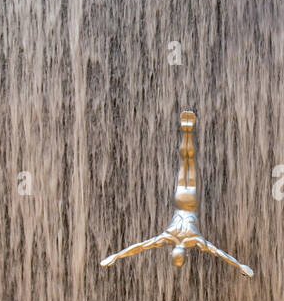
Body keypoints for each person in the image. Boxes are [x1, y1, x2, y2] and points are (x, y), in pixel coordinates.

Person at [101, 111, 254, 276]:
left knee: (188, 162)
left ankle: (188, 131)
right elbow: (141, 246)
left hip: (189, 201)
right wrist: (239, 266)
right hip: (181, 199)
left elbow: (140, 247)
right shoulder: (171, 238)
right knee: (185, 162)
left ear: (182, 254)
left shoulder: (189, 239)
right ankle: (187, 131)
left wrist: (116, 256)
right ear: (173, 252)